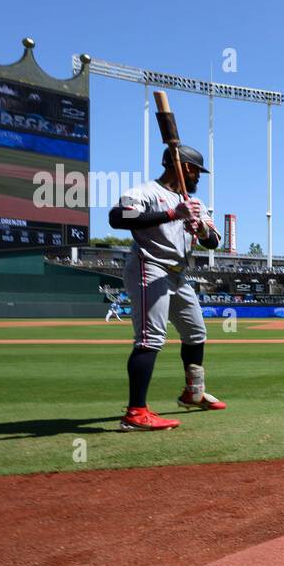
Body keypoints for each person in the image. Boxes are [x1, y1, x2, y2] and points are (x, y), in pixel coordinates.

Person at [108, 144, 228, 431]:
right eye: (197, 170)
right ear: (185, 168)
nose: (199, 176)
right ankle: (135, 413)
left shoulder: (194, 202)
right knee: (150, 339)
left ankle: (193, 392)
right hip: (149, 266)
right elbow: (117, 218)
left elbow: (214, 241)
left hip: (178, 273)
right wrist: (174, 214)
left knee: (196, 333)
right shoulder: (145, 192)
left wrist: (201, 229)